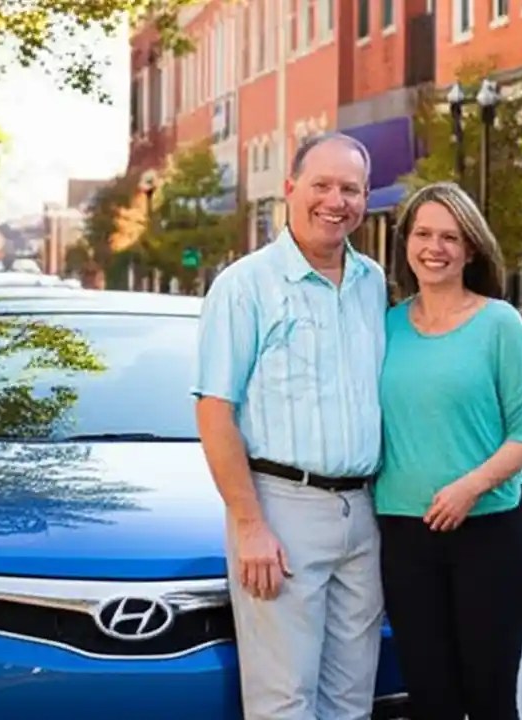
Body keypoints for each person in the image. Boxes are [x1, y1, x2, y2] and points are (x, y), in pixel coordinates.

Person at [192, 131, 388, 720]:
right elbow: (214, 409)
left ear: (366, 198)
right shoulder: (244, 286)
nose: (336, 200)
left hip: (363, 513)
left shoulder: (372, 283)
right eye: (321, 185)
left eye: (350, 189)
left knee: (351, 701)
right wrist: (250, 524)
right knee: (285, 699)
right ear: (289, 190)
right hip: (282, 508)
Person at [375, 182, 522, 720]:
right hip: (404, 537)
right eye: (423, 233)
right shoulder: (385, 326)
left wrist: (469, 488)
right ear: (406, 243)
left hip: (492, 536)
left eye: (450, 236)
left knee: (489, 698)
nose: (435, 247)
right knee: (429, 700)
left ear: (471, 248)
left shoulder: (499, 324)